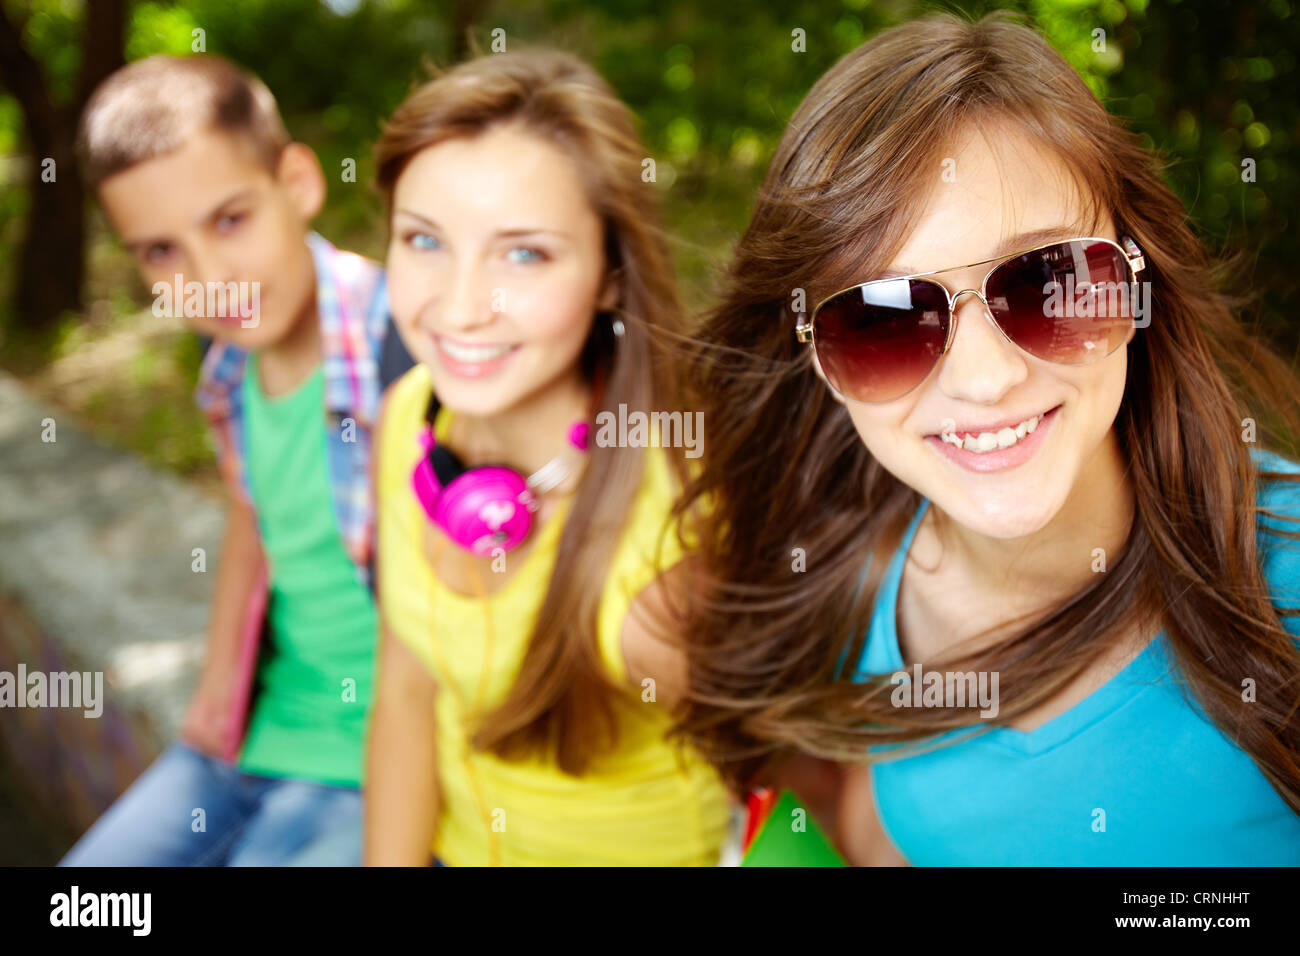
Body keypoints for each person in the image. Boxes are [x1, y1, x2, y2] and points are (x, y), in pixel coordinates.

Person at [671, 11, 1300, 865]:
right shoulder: (838, 590)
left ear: (1135, 280)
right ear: (818, 358)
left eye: (1047, 283)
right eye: (883, 320)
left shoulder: (1285, 579)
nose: (986, 379)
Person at [363, 48, 733, 866]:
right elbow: (405, 691)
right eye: (424, 240)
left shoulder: (663, 561)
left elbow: (812, 782)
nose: (459, 305)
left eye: (523, 253)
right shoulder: (406, 418)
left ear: (609, 275)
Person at [61, 53, 409, 866]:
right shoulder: (228, 370)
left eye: (228, 222)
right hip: (255, 739)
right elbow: (255, 513)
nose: (209, 280)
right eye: (160, 252)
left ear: (297, 183)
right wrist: (219, 688)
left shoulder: (410, 336)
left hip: (387, 762)